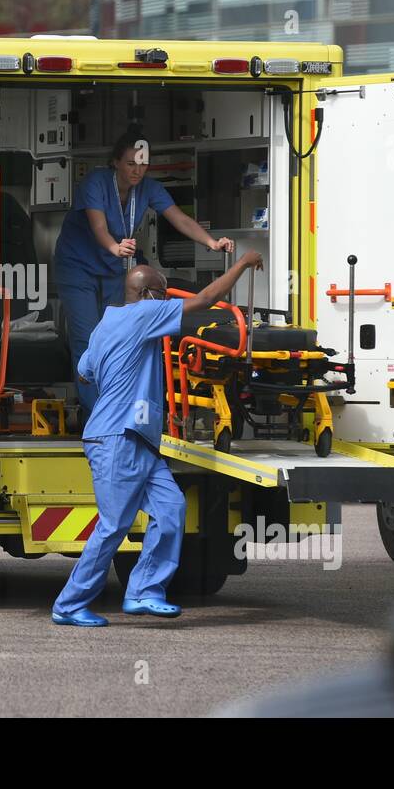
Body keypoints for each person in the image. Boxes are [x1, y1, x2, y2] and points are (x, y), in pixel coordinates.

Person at [51, 252, 264, 627]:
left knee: (171, 510)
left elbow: (85, 372)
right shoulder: (145, 314)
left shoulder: (106, 324)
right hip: (116, 438)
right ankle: (69, 604)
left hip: (140, 440)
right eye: (163, 294)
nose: (168, 300)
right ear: (148, 293)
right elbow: (204, 300)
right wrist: (242, 263)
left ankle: (144, 591)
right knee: (114, 524)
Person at [54, 130, 235, 415]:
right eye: (130, 163)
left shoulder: (148, 188)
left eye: (143, 163)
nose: (138, 170)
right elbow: (99, 227)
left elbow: (180, 219)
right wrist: (115, 248)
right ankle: (96, 412)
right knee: (88, 338)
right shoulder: (95, 183)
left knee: (119, 335)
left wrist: (212, 242)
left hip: (113, 267)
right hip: (78, 267)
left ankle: (117, 405)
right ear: (115, 162)